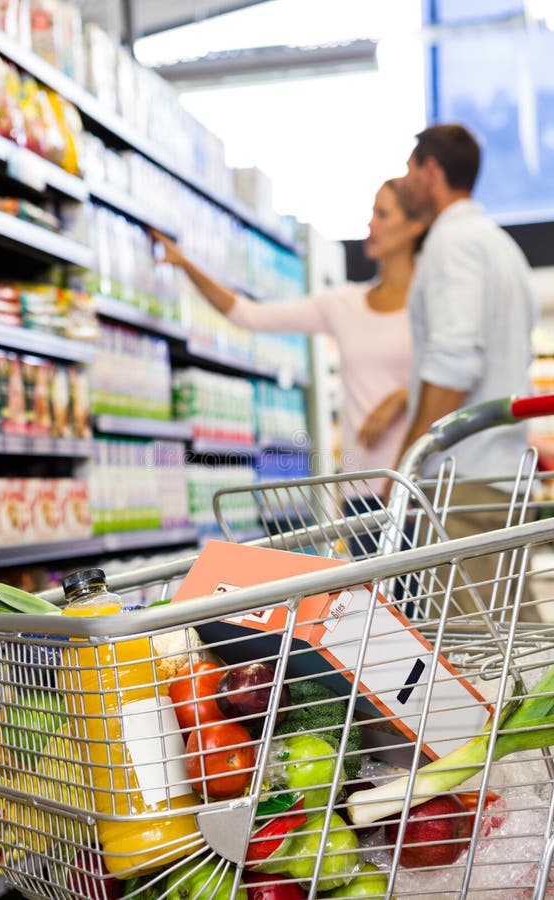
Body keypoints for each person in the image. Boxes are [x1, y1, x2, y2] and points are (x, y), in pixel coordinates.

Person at [153, 180, 426, 505]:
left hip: (420, 485)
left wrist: (403, 396)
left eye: (382, 214)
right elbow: (248, 315)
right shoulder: (344, 305)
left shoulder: (430, 304)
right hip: (362, 489)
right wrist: (185, 264)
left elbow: (454, 379)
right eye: (371, 213)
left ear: (414, 226)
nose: (371, 224)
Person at [397, 123, 540, 620]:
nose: (405, 179)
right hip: (503, 475)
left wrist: (409, 463)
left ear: (431, 171)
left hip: (462, 482)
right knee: (509, 650)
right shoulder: (502, 247)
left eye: (410, 167)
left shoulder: (451, 243)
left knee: (466, 658)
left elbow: (455, 365)